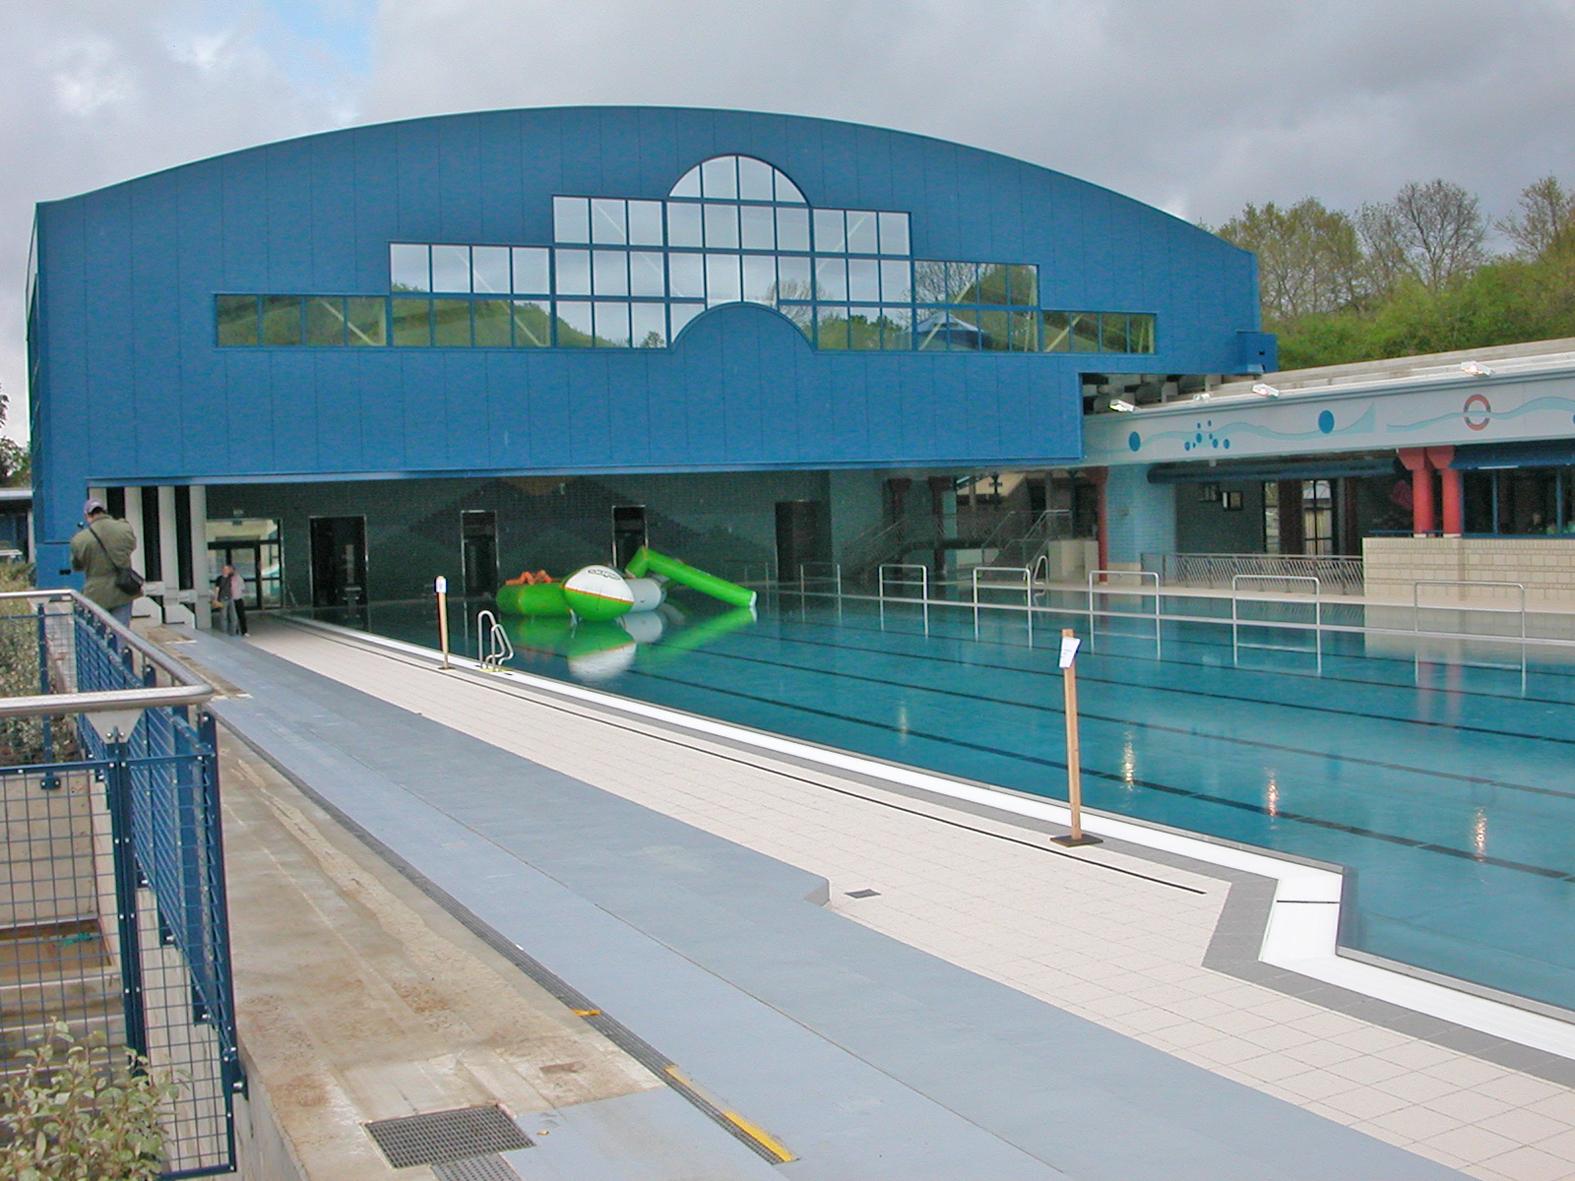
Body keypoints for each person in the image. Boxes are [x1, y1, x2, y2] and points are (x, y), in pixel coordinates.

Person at [69, 498, 139, 625]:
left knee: (97, 637)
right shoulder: (124, 528)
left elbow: (77, 566)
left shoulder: (79, 539)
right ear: (104, 511)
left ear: (87, 516)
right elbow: (132, 546)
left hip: (95, 593)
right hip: (123, 589)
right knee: (121, 633)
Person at [212, 563, 248, 636]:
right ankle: (224, 632)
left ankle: (234, 632)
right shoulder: (220, 579)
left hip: (231, 598)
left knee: (234, 616)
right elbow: (217, 589)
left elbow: (239, 583)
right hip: (223, 598)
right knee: (224, 616)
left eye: (227, 569)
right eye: (225, 569)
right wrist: (215, 599)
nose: (226, 570)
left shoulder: (231, 577)